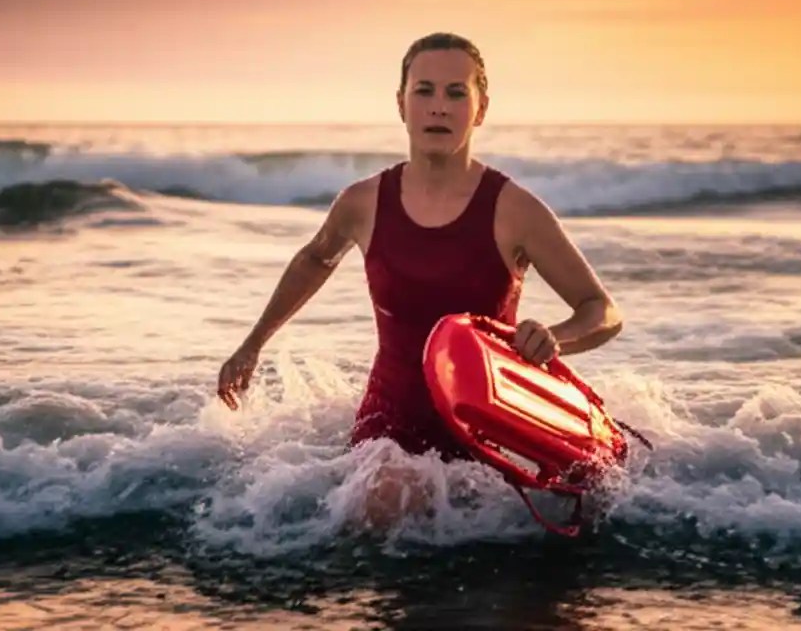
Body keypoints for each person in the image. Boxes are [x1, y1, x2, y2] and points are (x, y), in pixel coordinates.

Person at [216, 31, 623, 526]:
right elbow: (315, 259)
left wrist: (554, 337)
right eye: (424, 91)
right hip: (387, 429)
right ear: (401, 104)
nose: (438, 107)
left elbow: (600, 310)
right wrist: (253, 344)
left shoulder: (514, 210)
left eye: (457, 93)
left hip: (486, 430)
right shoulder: (363, 203)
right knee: (384, 499)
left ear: (481, 108)